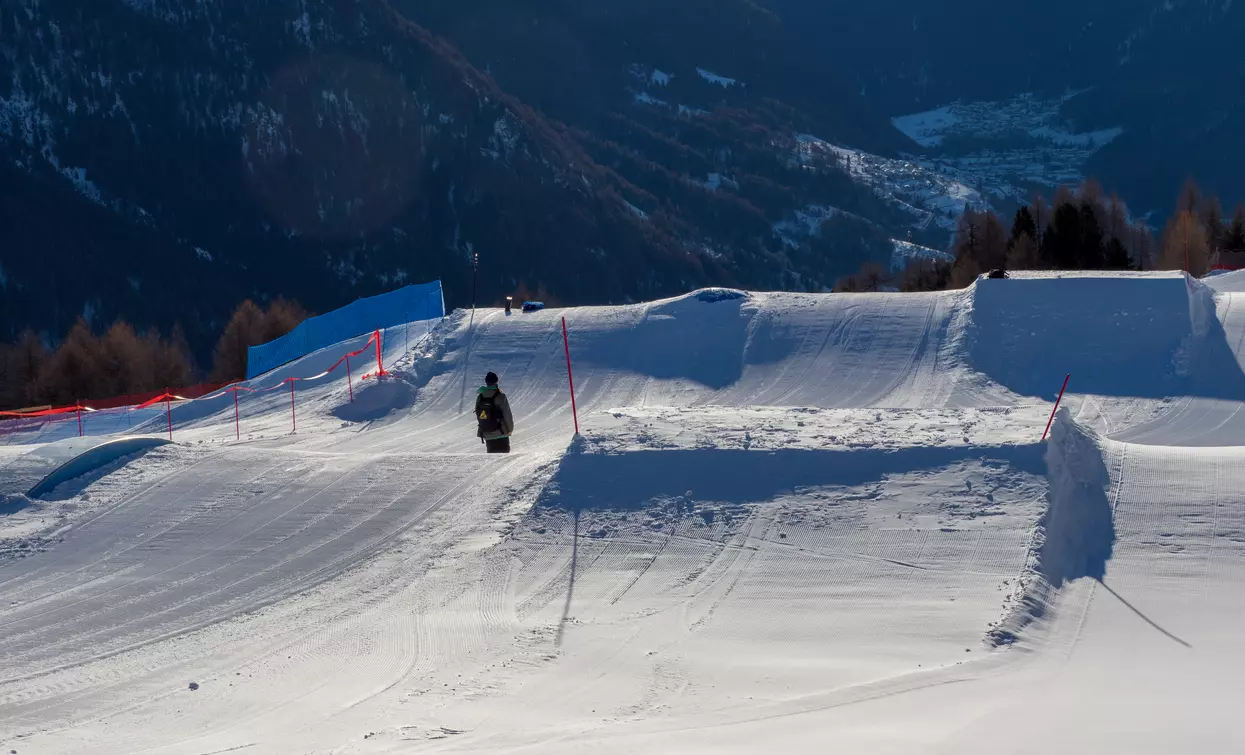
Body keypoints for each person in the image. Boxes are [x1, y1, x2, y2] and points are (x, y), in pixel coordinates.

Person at [475, 371, 514, 453]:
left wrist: (485, 425)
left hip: (487, 433)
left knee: (492, 458)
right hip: (501, 432)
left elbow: (478, 413)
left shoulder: (480, 396)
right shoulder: (500, 396)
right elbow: (507, 414)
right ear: (496, 381)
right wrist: (510, 429)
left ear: (486, 382)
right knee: (503, 458)